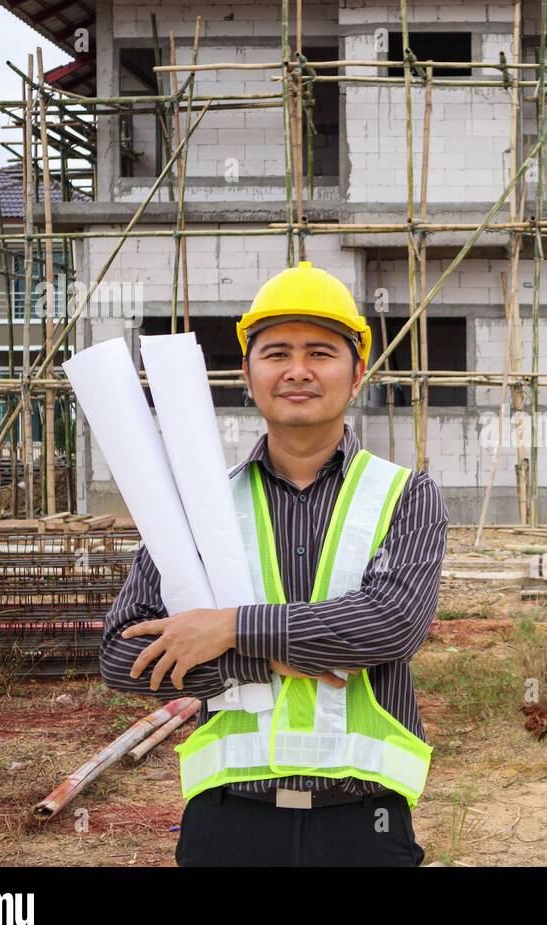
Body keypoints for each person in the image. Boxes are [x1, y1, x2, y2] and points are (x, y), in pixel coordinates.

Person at [99, 262, 449, 866]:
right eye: (277, 353)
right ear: (248, 373)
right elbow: (120, 655)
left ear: (357, 372)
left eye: (320, 352)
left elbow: (391, 625)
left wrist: (228, 629)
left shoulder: (404, 494)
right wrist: (264, 655)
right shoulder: (195, 506)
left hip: (364, 823)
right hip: (227, 824)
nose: (297, 370)